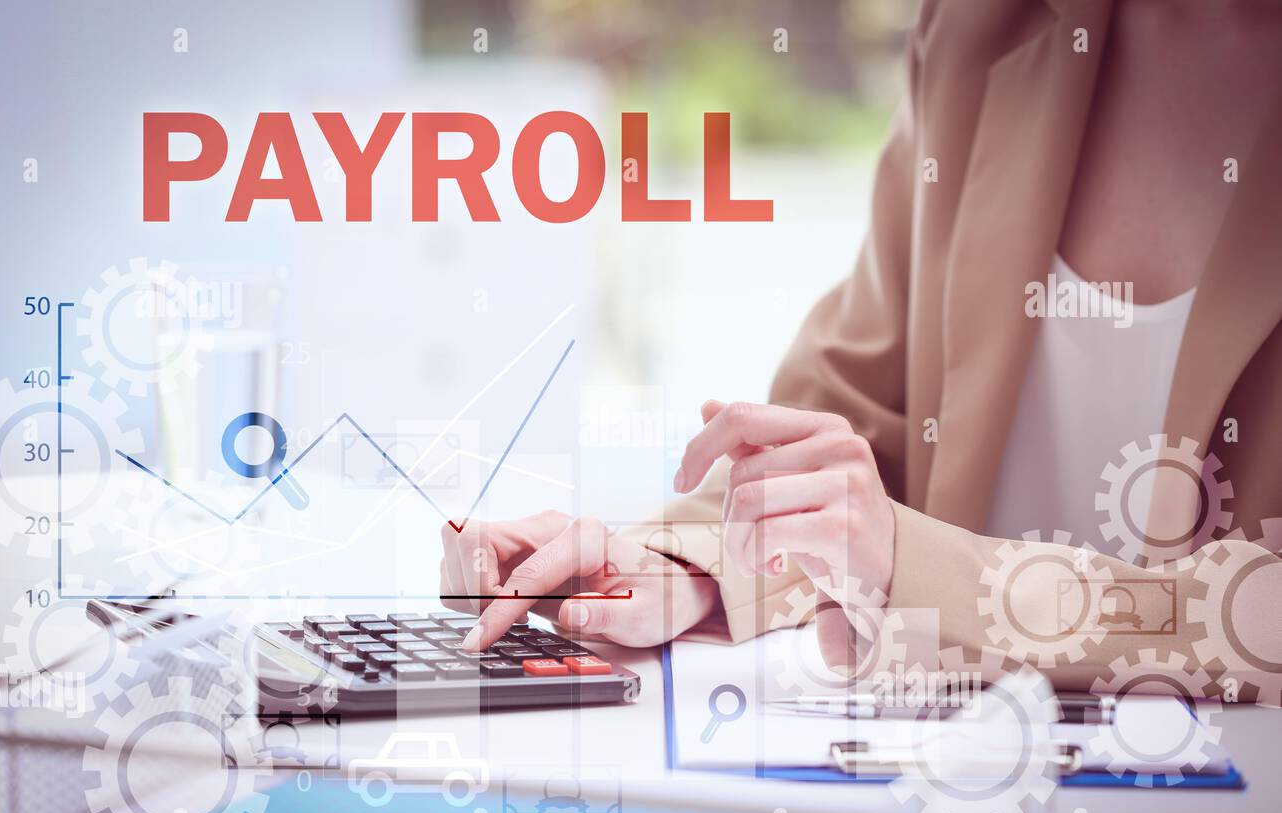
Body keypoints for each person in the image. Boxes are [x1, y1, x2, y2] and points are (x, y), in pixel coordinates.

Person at [439, 0, 1282, 700]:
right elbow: (854, 441)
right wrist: (681, 566)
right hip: (955, 790)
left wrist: (918, 572)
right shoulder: (982, 29)